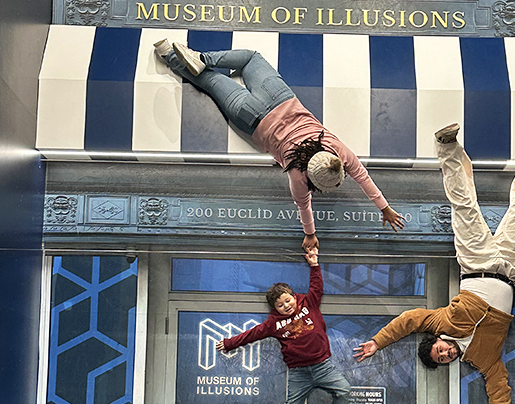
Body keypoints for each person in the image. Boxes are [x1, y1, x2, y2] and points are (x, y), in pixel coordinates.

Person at [354, 122, 515, 404]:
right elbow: (499, 388)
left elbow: (409, 319)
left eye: (440, 352)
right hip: (510, 268)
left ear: (435, 341)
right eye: (445, 359)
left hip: (475, 262)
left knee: (464, 207)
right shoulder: (482, 359)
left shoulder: (441, 323)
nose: (447, 354)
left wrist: (378, 342)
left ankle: (447, 146)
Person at [154, 41, 405, 251]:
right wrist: (310, 234)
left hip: (278, 97)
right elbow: (303, 205)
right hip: (250, 117)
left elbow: (362, 176)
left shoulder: (336, 150)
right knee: (208, 82)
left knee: (251, 58)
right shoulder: (298, 174)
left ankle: (202, 57)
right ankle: (167, 53)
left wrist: (385, 207)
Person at [217, 247, 350, 404]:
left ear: (294, 297)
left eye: (288, 300)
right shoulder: (273, 324)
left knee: (344, 390)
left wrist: (314, 264)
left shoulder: (309, 302)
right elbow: (252, 334)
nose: (286, 306)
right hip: (299, 373)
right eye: (280, 305)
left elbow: (317, 285)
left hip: (323, 366)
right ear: (274, 308)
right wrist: (229, 343)